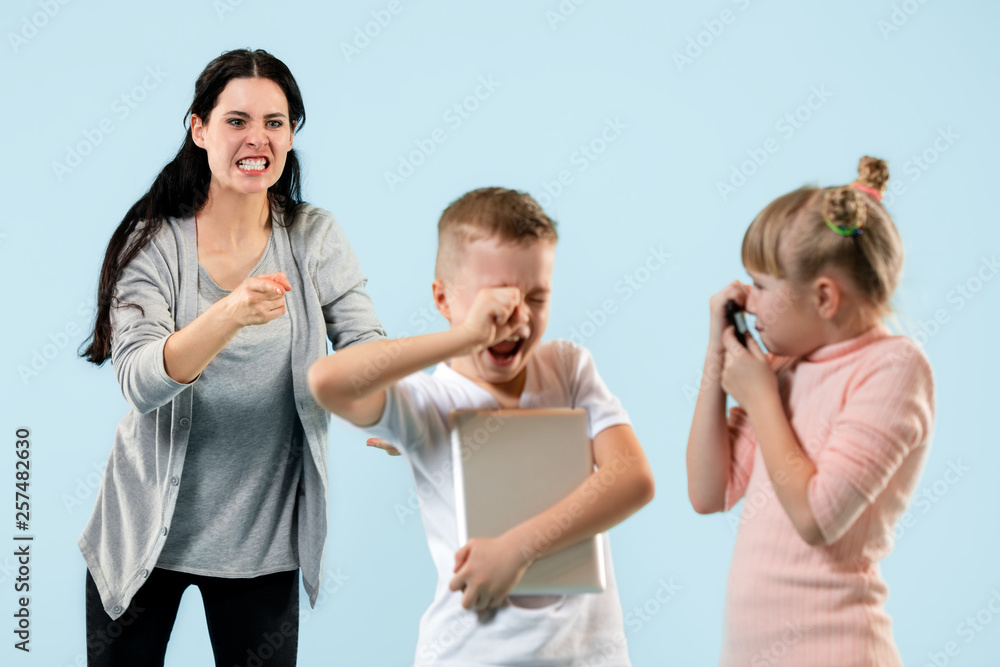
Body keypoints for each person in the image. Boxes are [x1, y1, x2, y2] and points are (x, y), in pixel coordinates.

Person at [78, 48, 385, 666]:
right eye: (237, 120)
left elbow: (364, 345)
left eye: (276, 122)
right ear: (200, 129)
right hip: (142, 541)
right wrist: (229, 313)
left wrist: (394, 411)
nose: (258, 139)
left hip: (261, 547)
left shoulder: (313, 237)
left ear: (292, 135)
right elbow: (139, 379)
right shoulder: (155, 243)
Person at [307, 187, 655, 666]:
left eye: (537, 297)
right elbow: (327, 380)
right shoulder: (428, 404)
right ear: (443, 297)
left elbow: (632, 478)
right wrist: (466, 335)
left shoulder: (569, 368)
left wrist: (519, 548)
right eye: (496, 299)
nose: (518, 318)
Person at [686, 157, 935, 666]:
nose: (748, 301)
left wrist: (759, 398)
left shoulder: (893, 369)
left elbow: (816, 517)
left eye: (763, 286)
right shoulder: (786, 365)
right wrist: (717, 362)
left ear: (824, 297)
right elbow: (708, 492)